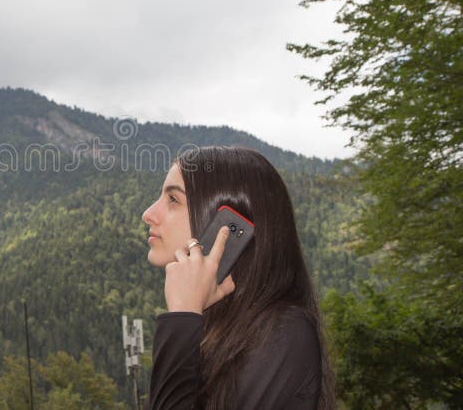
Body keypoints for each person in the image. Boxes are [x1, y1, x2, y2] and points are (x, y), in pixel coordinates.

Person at [141, 146, 335, 409]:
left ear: (227, 227)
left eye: (173, 200)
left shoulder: (283, 333)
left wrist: (182, 316)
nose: (149, 214)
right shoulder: (217, 328)